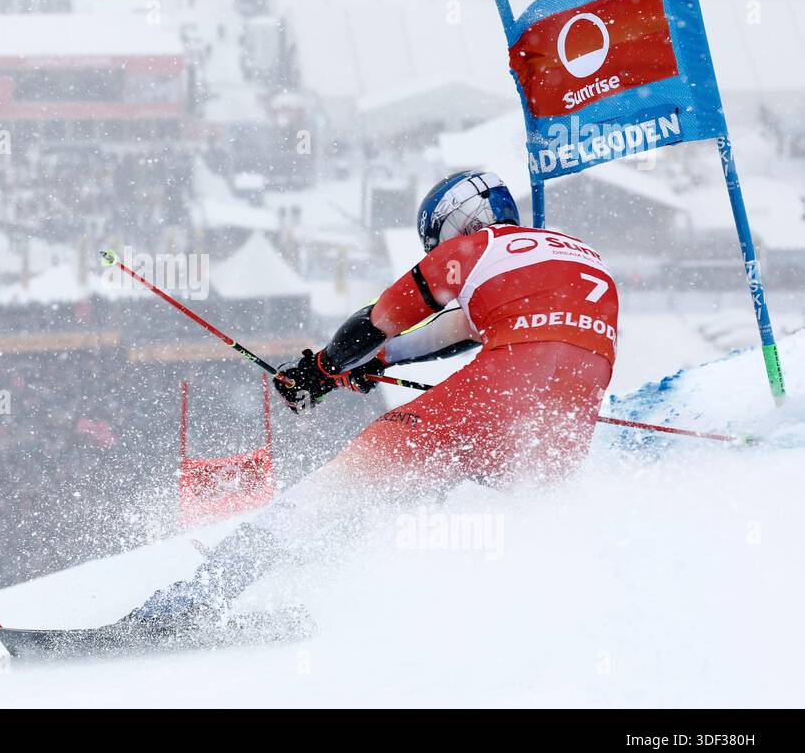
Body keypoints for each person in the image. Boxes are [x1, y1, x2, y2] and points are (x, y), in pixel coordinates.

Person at [128, 170, 619, 624]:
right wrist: (373, 365)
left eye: (436, 240)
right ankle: (500, 618)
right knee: (493, 510)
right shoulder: (583, 254)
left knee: (345, 482)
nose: (435, 249)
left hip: (494, 392)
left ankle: (196, 597)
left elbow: (381, 320)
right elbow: (455, 333)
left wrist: (321, 369)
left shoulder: (473, 250)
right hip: (566, 422)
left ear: (459, 221)